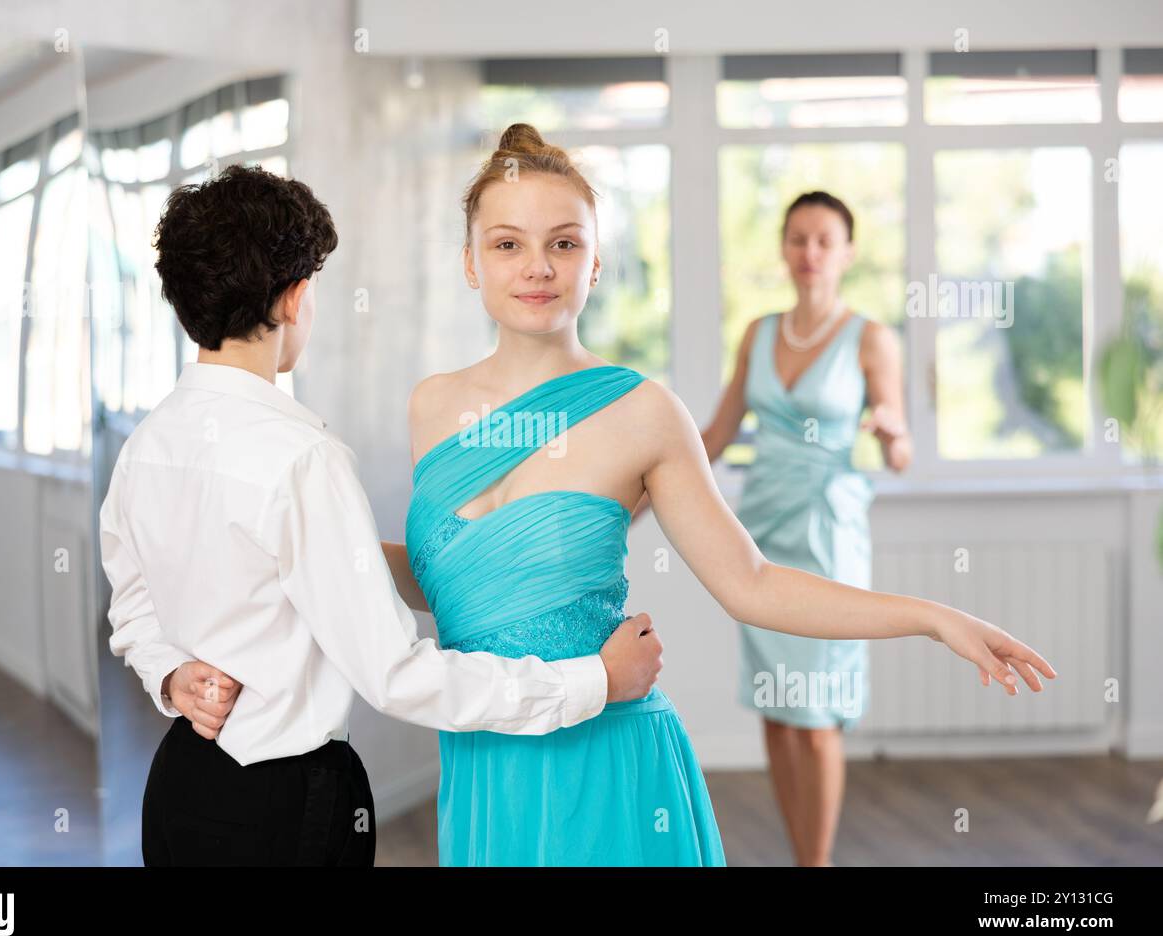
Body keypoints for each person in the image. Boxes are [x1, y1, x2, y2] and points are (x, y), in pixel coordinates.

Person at [402, 123, 1056, 866]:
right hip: (483, 761)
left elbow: (752, 584)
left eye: (564, 243)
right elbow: (439, 573)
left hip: (609, 763)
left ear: (595, 263)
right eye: (507, 243)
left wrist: (933, 617)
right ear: (469, 262)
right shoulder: (431, 407)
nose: (537, 267)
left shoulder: (643, 412)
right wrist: (315, 560)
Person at [99, 164, 664, 867]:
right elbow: (395, 674)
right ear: (297, 298)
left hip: (182, 784)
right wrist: (596, 682)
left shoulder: (146, 446)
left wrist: (168, 673)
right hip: (291, 804)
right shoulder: (304, 458)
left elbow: (132, 604)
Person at [639, 190, 908, 864]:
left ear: (847, 253)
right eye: (798, 239)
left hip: (828, 539)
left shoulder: (871, 338)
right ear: (785, 249)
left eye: (824, 240)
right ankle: (801, 856)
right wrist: (633, 489)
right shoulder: (759, 333)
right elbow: (716, 435)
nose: (809, 252)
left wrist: (891, 432)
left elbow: (900, 452)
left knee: (816, 723)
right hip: (758, 542)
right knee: (780, 714)